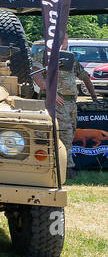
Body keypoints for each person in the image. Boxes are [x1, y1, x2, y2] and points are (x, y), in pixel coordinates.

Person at [32, 36, 99, 177]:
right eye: (61, 39)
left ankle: (62, 166)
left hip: (70, 105)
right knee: (64, 133)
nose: (64, 42)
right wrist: (50, 91)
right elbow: (37, 75)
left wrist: (93, 97)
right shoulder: (44, 56)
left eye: (66, 39)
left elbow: (85, 76)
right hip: (55, 103)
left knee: (71, 132)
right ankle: (66, 168)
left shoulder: (70, 58)